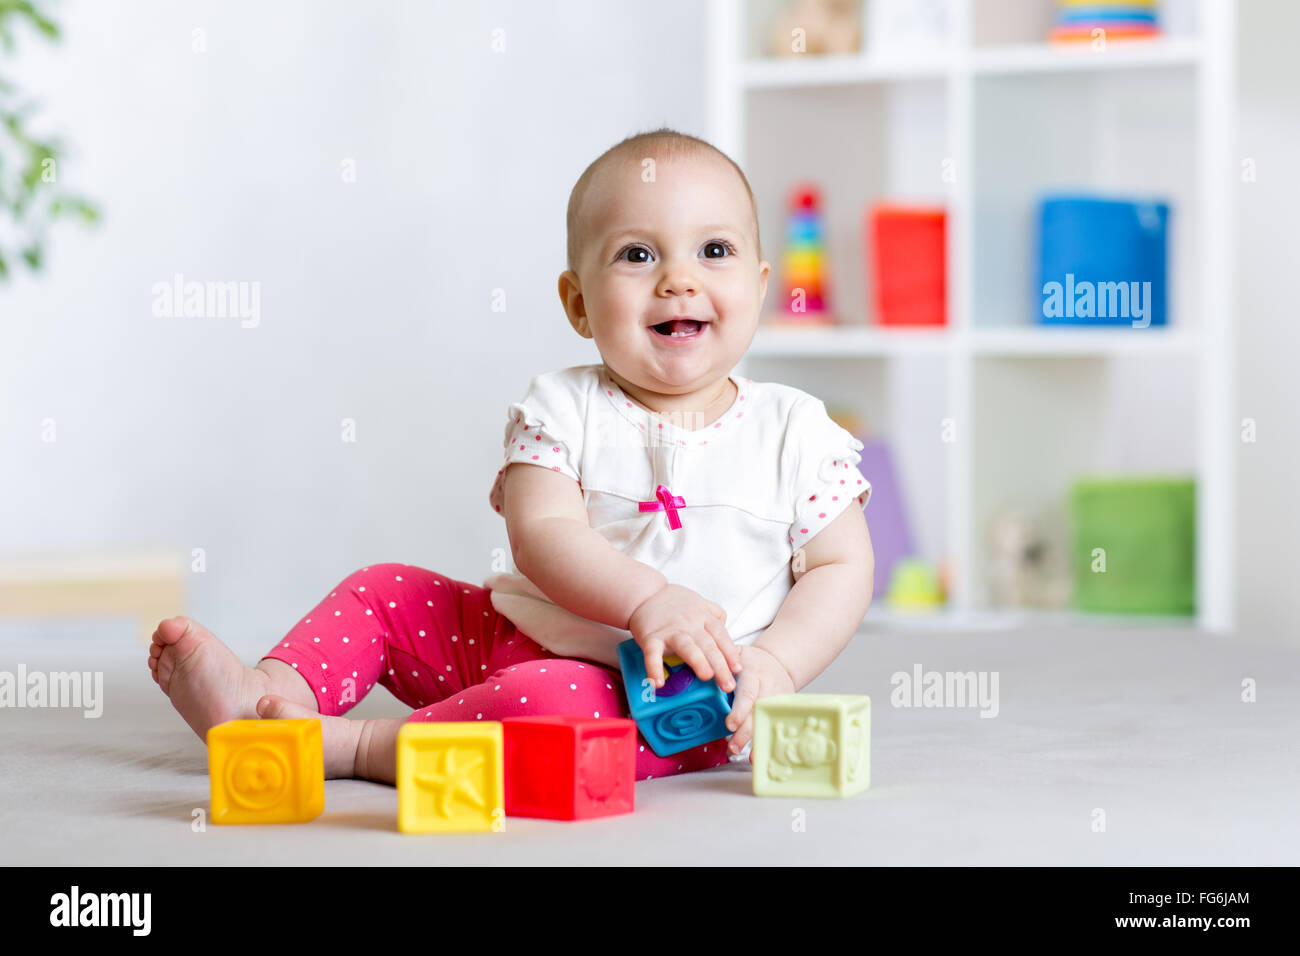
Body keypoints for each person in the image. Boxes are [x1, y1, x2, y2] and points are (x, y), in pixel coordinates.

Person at [149, 127, 875, 784]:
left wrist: (776, 665)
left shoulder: (796, 431)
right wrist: (648, 597)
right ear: (578, 303)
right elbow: (542, 535)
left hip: (662, 697)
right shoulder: (560, 407)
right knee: (385, 590)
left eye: (713, 251)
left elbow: (842, 565)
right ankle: (268, 696)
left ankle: (361, 746)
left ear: (757, 287)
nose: (677, 279)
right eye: (637, 254)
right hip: (509, 632)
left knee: (549, 705)